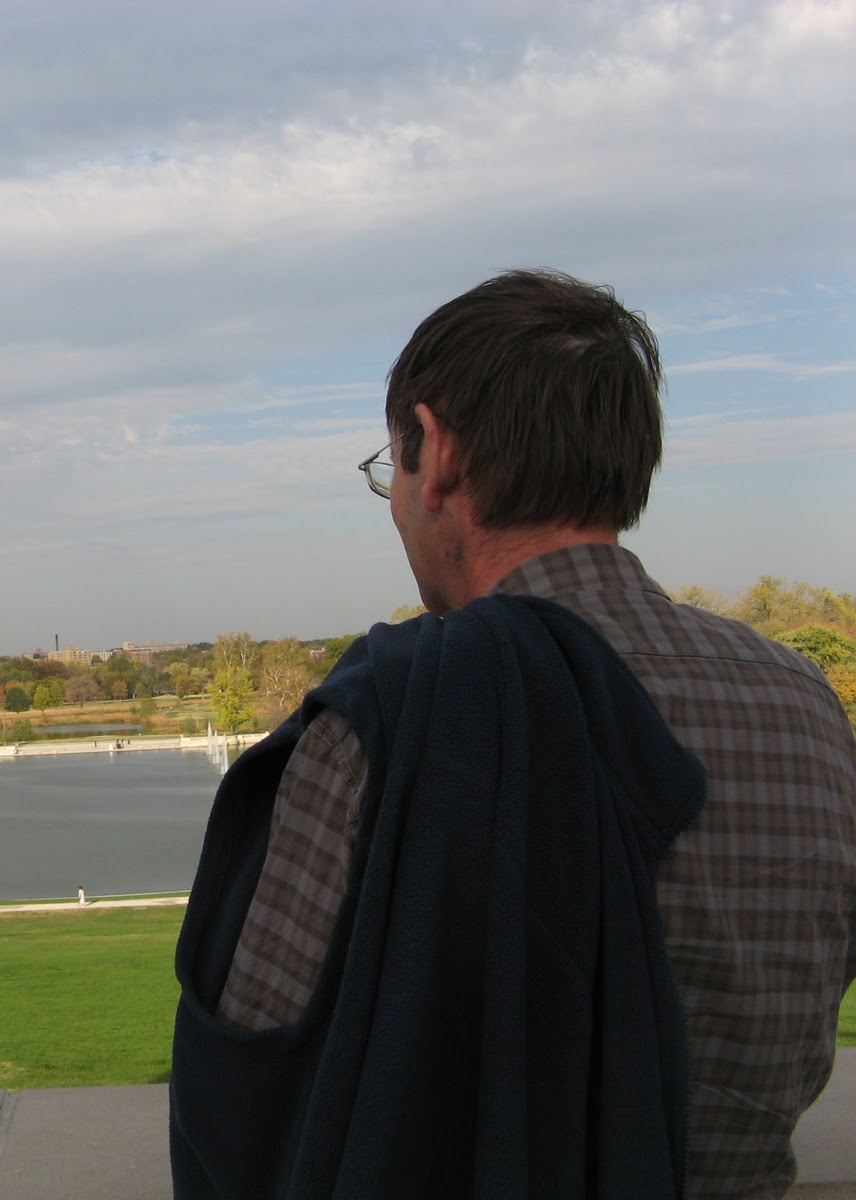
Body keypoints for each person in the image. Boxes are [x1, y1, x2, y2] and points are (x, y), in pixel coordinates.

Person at [169, 269, 856, 1199]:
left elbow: (248, 1070)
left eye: (393, 472)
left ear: (439, 455)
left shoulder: (390, 718)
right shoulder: (807, 706)